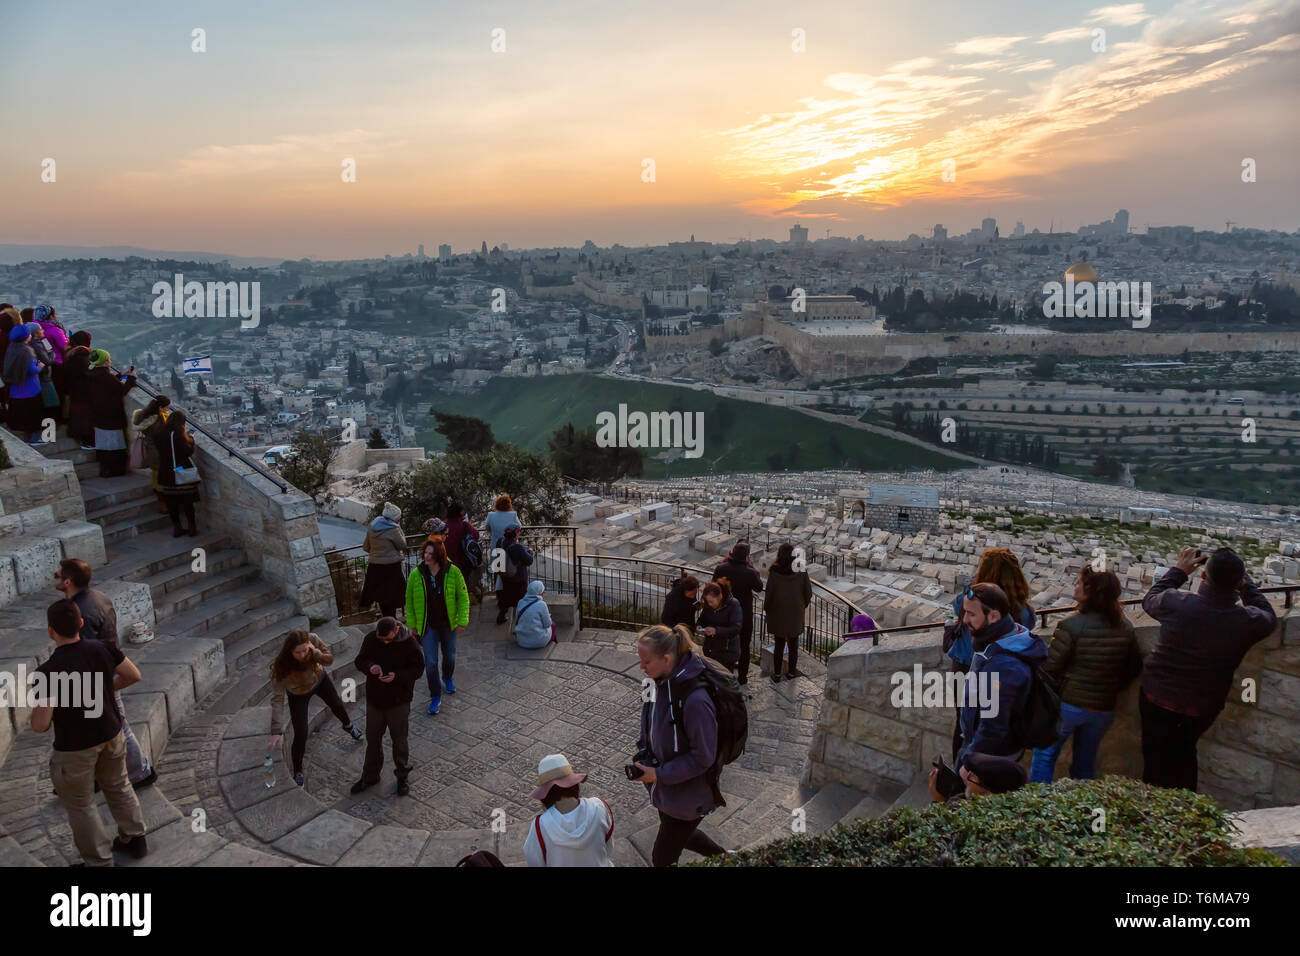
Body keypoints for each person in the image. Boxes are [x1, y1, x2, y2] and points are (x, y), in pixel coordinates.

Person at [1139, 547, 1277, 791]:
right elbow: (1269, 615)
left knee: (1155, 758)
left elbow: (1150, 598)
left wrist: (1179, 571)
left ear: (1203, 577)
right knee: (1184, 753)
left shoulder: (1177, 603)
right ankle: (1186, 811)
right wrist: (1246, 585)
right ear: (1238, 582)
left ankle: (1155, 806)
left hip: (1156, 698)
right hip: (1202, 707)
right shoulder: (1246, 621)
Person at [30, 599, 148, 866]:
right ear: (81, 624)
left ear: (51, 631)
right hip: (110, 733)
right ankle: (135, 837)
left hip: (75, 749)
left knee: (81, 805)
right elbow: (133, 675)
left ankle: (98, 861)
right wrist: (104, 691)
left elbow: (40, 725)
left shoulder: (47, 673)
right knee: (119, 785)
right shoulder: (103, 648)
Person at [1030, 566, 1142, 783]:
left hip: (1069, 704)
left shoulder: (1071, 625)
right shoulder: (1125, 627)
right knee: (1085, 761)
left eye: (1079, 583)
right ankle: (1081, 804)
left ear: (1091, 591)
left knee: (1045, 755)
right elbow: (1133, 667)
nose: (1075, 586)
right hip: (1102, 707)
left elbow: (1051, 666)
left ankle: (1037, 803)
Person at [53, 557, 157, 789]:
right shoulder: (99, 597)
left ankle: (139, 772)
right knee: (105, 726)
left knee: (117, 726)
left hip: (97, 676)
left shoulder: (81, 614)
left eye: (57, 575)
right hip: (105, 670)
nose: (55, 577)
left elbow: (86, 651)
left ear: (68, 581)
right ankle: (103, 775)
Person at [632, 624, 729, 867]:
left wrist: (659, 774)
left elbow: (703, 757)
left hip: (688, 796)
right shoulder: (654, 682)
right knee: (677, 833)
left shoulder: (696, 701)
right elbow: (648, 719)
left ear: (666, 659)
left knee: (662, 858)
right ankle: (727, 859)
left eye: (646, 662)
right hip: (667, 791)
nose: (642, 667)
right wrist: (644, 751)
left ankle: (727, 858)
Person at [945, 548, 1036, 761]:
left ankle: (961, 774)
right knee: (995, 724)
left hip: (967, 667)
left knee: (964, 723)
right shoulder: (1023, 611)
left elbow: (958, 605)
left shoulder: (970, 599)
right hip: (1003, 673)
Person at [955, 582, 1047, 769]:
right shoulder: (1010, 636)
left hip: (988, 757)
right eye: (965, 612)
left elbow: (993, 727)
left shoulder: (1002, 666)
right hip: (988, 748)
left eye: (971, 614)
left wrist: (969, 763)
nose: (964, 620)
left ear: (994, 616)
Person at [267, 630, 363, 787]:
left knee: (337, 705)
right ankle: (298, 770)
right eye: (298, 652)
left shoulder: (313, 639)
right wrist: (276, 731)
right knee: (301, 733)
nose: (303, 655)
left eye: (305, 650)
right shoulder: (281, 666)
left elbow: (329, 660)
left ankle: (348, 726)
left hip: (319, 680)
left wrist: (316, 653)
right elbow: (277, 700)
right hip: (298, 694)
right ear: (289, 651)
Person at [352, 616, 425, 796]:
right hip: (375, 700)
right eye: (381, 639)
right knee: (373, 739)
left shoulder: (410, 644)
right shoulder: (371, 639)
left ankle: (402, 777)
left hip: (398, 701)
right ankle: (370, 776)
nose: (384, 642)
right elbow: (360, 660)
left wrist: (397, 676)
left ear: (397, 631)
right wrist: (370, 667)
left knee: (399, 740)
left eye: (388, 639)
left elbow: (417, 670)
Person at [404, 537, 469, 715]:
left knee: (450, 656)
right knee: (430, 663)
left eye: (431, 554)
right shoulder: (416, 574)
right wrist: (413, 625)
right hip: (428, 626)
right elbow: (408, 601)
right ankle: (435, 695)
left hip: (448, 625)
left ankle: (447, 677)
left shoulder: (453, 572)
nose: (427, 556)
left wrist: (462, 621)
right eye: (425, 552)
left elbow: (463, 597)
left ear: (439, 555)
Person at [523, 753, 615, 867]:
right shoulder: (599, 806)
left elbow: (534, 862)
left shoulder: (540, 826)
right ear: (574, 784)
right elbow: (608, 848)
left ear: (546, 794)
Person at [712, 542, 764, 685]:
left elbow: (713, 586)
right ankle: (742, 677)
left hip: (723, 612)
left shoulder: (721, 568)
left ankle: (721, 672)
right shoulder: (749, 572)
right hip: (743, 614)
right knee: (744, 646)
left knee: (723, 643)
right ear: (747, 556)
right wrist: (751, 566)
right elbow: (759, 587)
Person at [764, 543, 812, 682]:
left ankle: (777, 674)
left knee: (779, 644)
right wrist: (803, 605)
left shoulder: (774, 571)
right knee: (793, 644)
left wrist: (768, 608)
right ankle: (791, 673)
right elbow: (808, 592)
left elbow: (769, 593)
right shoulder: (801, 570)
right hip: (795, 611)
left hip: (778, 611)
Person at [87, 350, 135, 477]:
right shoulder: (106, 377)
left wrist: (119, 376)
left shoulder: (91, 373)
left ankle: (105, 469)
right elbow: (121, 391)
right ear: (103, 361)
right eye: (108, 359)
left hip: (98, 415)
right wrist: (132, 378)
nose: (110, 361)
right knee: (115, 444)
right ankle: (116, 470)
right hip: (112, 416)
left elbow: (108, 385)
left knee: (103, 443)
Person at [154, 408, 201, 537]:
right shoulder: (179, 435)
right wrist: (191, 439)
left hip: (166, 473)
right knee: (187, 502)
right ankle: (192, 528)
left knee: (171, 503)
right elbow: (187, 451)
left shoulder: (159, 434)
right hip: (181, 473)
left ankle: (177, 527)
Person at [360, 502, 408, 617]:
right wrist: (399, 528)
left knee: (381, 596)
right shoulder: (393, 529)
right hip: (391, 568)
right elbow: (402, 545)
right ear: (395, 518)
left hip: (375, 567)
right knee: (392, 596)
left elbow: (366, 547)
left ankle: (387, 619)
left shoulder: (372, 526)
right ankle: (392, 621)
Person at [3, 322, 46, 443]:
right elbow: (31, 369)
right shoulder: (26, 350)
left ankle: (26, 438)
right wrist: (40, 365)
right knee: (32, 418)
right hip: (31, 390)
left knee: (22, 417)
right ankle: (34, 439)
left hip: (16, 391)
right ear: (26, 336)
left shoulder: (11, 348)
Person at [929, 752, 1028, 803]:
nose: (967, 778)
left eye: (972, 777)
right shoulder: (961, 800)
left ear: (990, 793)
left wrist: (939, 801)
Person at [130, 394, 171, 512]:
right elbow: (163, 435)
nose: (168, 409)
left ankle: (163, 504)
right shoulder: (158, 420)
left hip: (152, 452)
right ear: (160, 408)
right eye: (167, 407)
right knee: (161, 480)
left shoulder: (145, 417)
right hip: (159, 453)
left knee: (156, 478)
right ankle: (164, 505)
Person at [696, 578, 743, 672]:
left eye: (711, 601)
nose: (709, 604)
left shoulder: (733, 605)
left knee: (725, 680)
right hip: (710, 649)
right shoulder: (708, 606)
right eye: (707, 602)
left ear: (720, 596)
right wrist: (699, 626)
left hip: (727, 651)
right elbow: (702, 620)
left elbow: (736, 628)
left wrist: (716, 630)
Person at [485, 493, 521, 615]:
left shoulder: (491, 515)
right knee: (511, 571)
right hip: (511, 548)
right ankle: (510, 597)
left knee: (498, 573)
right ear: (509, 505)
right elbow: (519, 527)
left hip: (497, 547)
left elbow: (487, 528)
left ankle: (499, 597)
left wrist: (495, 534)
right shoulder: (513, 515)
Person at [62, 331, 95, 449]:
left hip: (74, 390)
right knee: (84, 416)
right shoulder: (83, 358)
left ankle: (78, 436)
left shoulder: (71, 354)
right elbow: (90, 374)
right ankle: (86, 441)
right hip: (83, 392)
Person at [443, 502, 482, 602]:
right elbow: (476, 535)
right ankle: (466, 599)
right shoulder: (464, 524)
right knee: (462, 581)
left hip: (446, 559)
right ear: (460, 512)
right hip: (462, 559)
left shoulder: (443, 525)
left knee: (450, 582)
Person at [496, 525, 533, 625]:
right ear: (515, 533)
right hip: (518, 579)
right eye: (518, 532)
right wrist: (530, 552)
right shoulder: (517, 547)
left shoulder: (500, 541)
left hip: (504, 577)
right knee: (520, 601)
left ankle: (501, 616)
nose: (519, 534)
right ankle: (519, 623)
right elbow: (529, 561)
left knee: (506, 598)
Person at [514, 580, 556, 649]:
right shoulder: (542, 604)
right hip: (539, 642)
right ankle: (552, 644)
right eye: (542, 592)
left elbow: (517, 620)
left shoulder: (520, 602)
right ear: (539, 593)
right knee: (553, 625)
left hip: (521, 641)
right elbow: (547, 624)